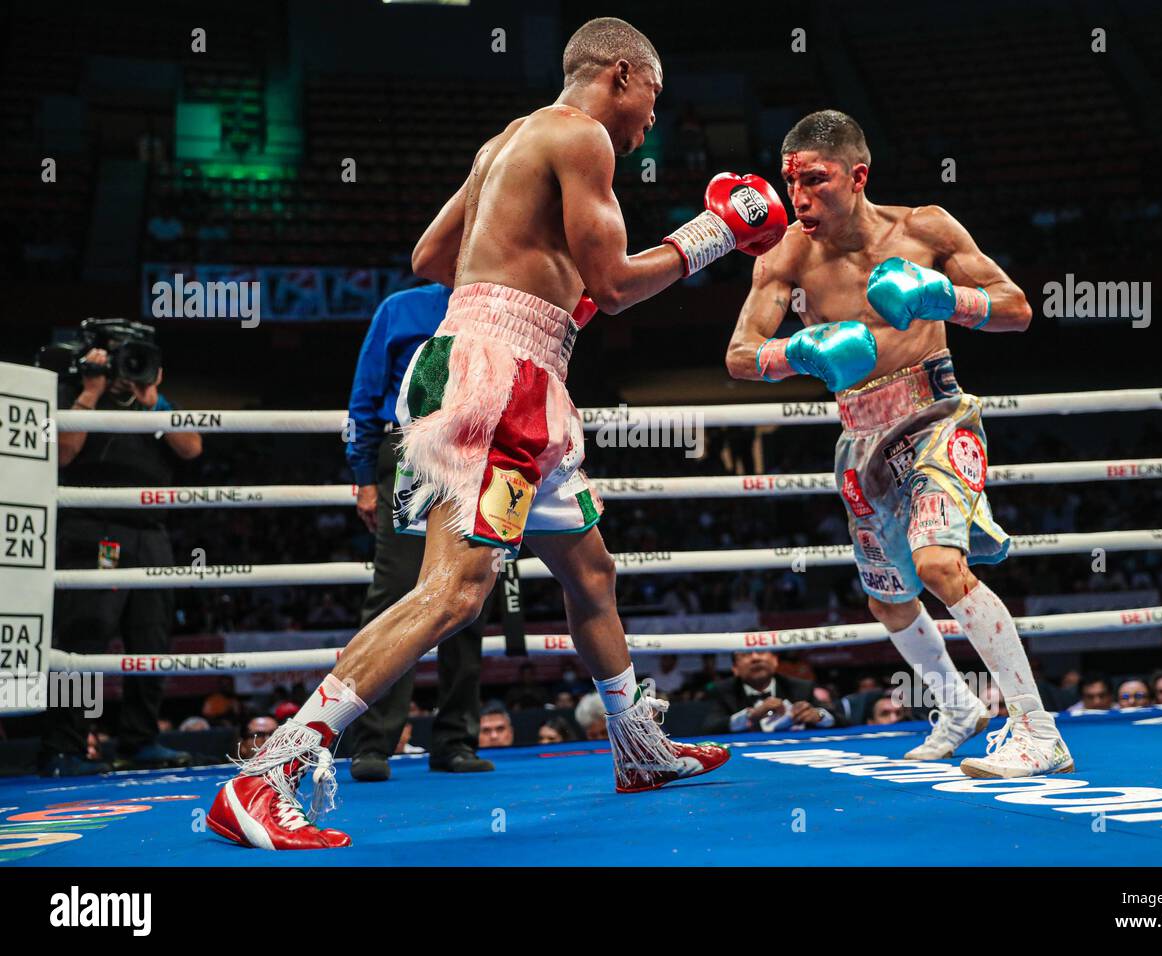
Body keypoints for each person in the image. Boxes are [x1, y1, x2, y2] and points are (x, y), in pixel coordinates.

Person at [207, 17, 785, 850]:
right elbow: (617, 286)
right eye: (653, 98)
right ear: (621, 74)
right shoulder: (583, 135)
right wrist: (715, 235)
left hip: (510, 369)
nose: (651, 119)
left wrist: (535, 283)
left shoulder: (506, 142)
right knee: (455, 592)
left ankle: (636, 746)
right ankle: (270, 772)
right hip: (499, 378)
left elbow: (432, 257)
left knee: (590, 572)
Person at [726, 110, 1073, 778]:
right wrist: (798, 350)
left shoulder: (926, 228)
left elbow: (1018, 309)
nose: (798, 199)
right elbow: (740, 355)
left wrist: (946, 299)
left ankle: (1036, 728)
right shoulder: (785, 255)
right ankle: (956, 706)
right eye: (790, 182)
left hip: (936, 415)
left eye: (816, 181)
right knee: (888, 596)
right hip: (859, 436)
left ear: (858, 176)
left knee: (939, 565)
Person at [344, 283, 492, 782]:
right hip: (410, 450)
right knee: (397, 591)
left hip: (481, 452)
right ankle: (372, 741)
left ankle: (454, 740)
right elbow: (366, 396)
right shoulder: (401, 308)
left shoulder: (503, 303)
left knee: (469, 590)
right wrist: (364, 477)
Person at [42, 330, 201, 775]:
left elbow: (192, 448)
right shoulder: (76, 396)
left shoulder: (155, 405)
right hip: (96, 533)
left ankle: (140, 739)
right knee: (84, 641)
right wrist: (91, 391)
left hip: (150, 533)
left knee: (151, 639)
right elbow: (63, 455)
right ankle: (64, 747)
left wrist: (154, 400)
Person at [702, 651, 846, 735]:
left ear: (775, 661)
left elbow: (842, 720)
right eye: (746, 654)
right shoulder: (722, 690)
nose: (755, 658)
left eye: (761, 651)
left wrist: (818, 716)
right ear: (735, 668)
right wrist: (750, 716)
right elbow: (708, 729)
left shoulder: (800, 687)